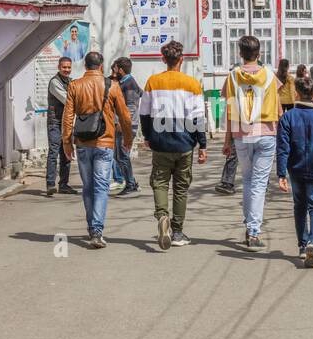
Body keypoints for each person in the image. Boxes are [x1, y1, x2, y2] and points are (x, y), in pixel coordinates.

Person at [139, 40, 207, 249]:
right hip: (184, 143)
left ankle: (162, 217)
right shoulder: (192, 84)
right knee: (180, 188)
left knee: (159, 182)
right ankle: (177, 231)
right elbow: (198, 117)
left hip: (160, 141)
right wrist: (202, 145)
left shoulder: (152, 82)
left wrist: (148, 136)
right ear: (181, 59)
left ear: (163, 59)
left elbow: (144, 113)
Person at [61, 51, 132, 249]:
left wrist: (67, 143)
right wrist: (128, 139)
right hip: (104, 143)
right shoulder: (113, 86)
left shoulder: (75, 85)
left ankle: (92, 227)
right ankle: (97, 230)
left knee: (88, 186)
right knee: (101, 186)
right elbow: (125, 117)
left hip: (82, 143)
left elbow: (67, 117)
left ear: (85, 66)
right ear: (101, 66)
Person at [222, 34, 280, 251]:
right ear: (259, 54)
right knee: (259, 183)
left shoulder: (233, 76)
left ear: (240, 54)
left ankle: (250, 225)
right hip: (266, 132)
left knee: (247, 180)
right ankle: (254, 232)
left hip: (241, 133)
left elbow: (229, 109)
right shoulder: (270, 76)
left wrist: (227, 139)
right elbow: (279, 110)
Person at [277, 74, 313, 267]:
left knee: (299, 206)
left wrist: (281, 173)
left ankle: (302, 246)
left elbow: (283, 148)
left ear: (296, 93)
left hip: (296, 168)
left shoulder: (287, 117)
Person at [45, 57, 78, 196]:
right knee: (54, 151)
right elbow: (67, 100)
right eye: (64, 67)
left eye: (69, 67)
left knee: (66, 152)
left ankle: (64, 184)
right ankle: (50, 184)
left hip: (66, 122)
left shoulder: (71, 81)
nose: (67, 70)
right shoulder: (54, 82)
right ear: (59, 67)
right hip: (55, 122)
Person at [110, 57, 141, 194]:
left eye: (115, 68)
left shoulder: (129, 83)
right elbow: (141, 93)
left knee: (122, 156)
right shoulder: (126, 82)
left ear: (121, 70)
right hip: (123, 124)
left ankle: (130, 185)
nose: (114, 70)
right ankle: (131, 182)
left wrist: (123, 123)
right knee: (119, 156)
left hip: (126, 126)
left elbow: (131, 107)